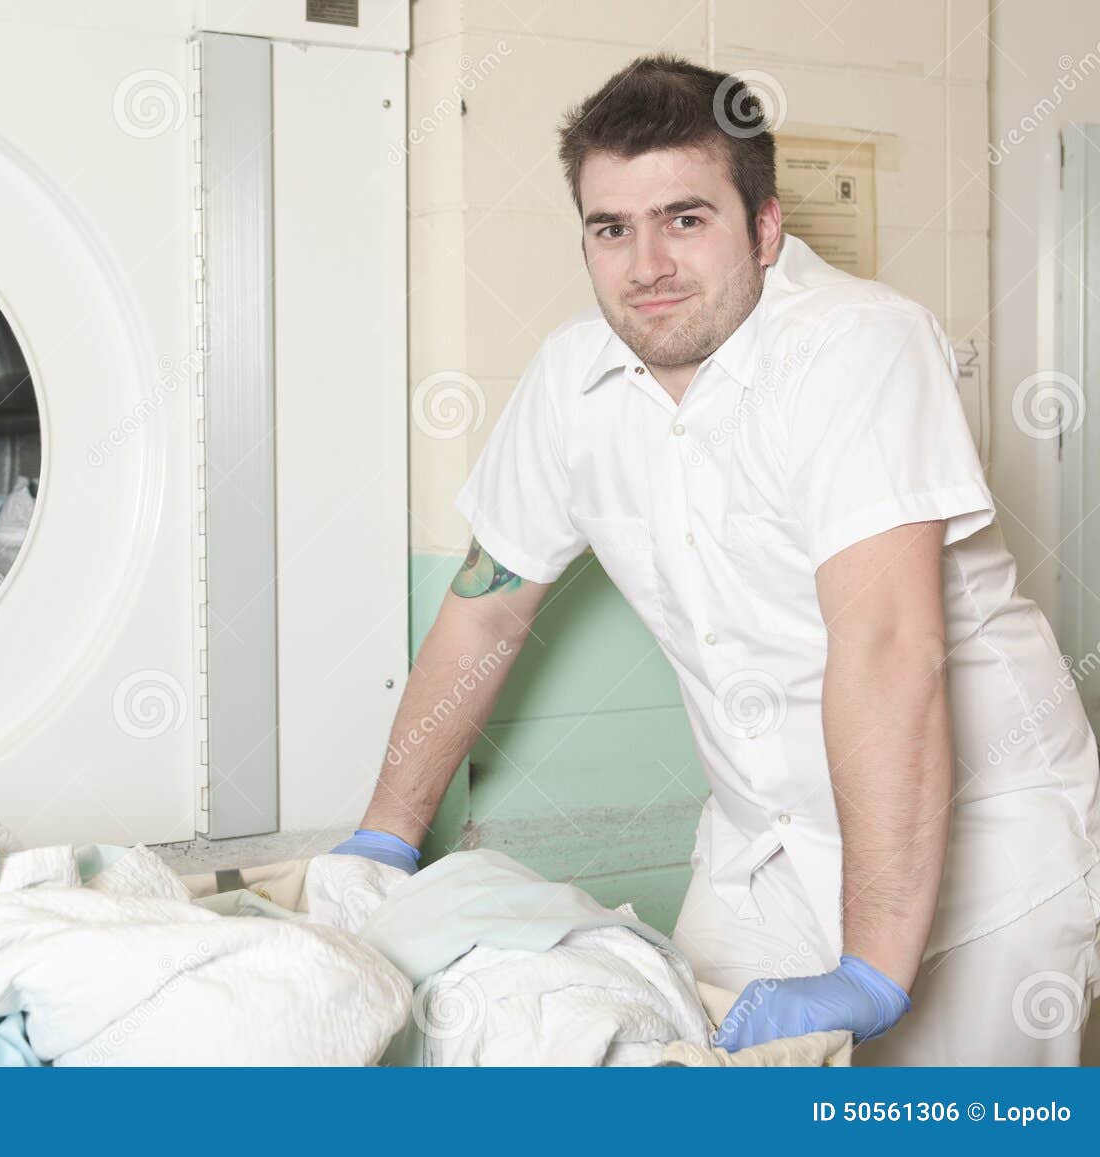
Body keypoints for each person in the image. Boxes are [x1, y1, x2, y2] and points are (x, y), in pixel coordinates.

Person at [332, 53, 1100, 1064]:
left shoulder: (860, 346)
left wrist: (870, 963)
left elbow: (884, 646)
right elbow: (486, 608)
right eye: (612, 228)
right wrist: (384, 838)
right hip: (761, 846)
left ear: (765, 227)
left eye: (684, 218)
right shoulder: (572, 378)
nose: (645, 262)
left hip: (978, 852)